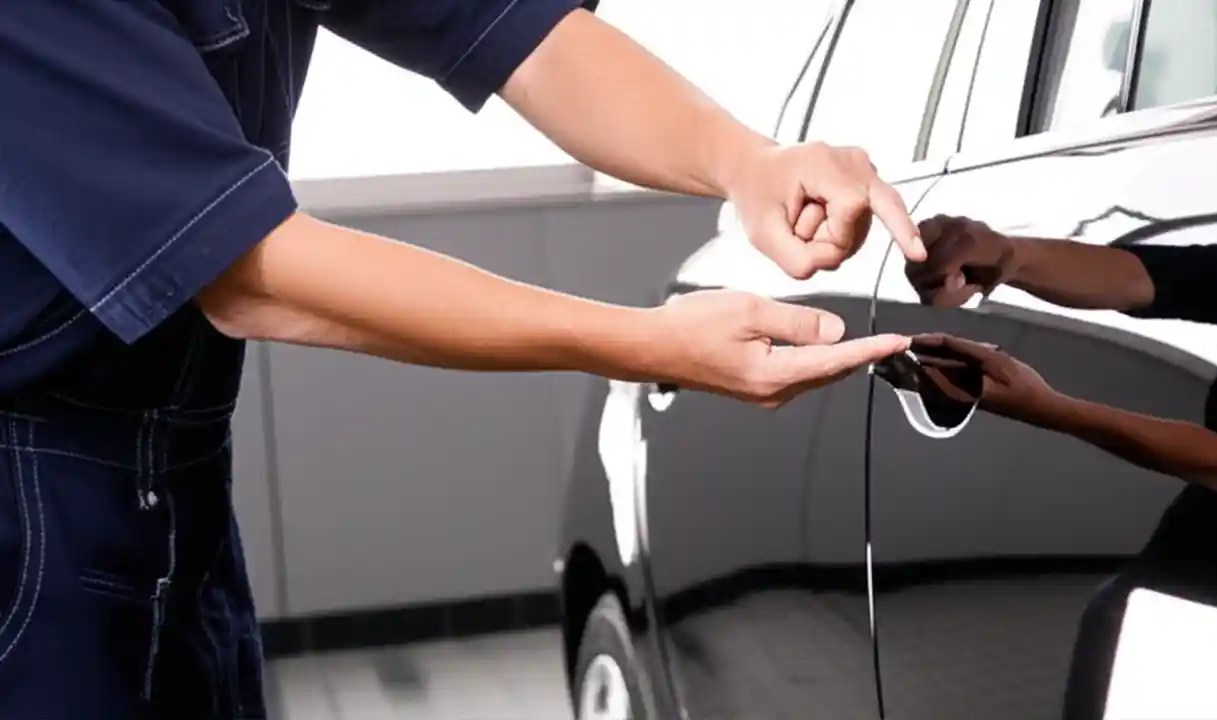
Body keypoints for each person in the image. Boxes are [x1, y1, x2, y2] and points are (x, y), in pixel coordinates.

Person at [0, 2, 925, 717]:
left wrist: (747, 162)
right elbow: (245, 272)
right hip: (30, 502)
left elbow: (520, 34)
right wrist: (648, 342)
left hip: (178, 485)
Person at [906, 215, 1217, 718]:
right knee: (1121, 623)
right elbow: (1155, 278)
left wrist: (1051, 409)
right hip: (1208, 544)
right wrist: (1009, 255)